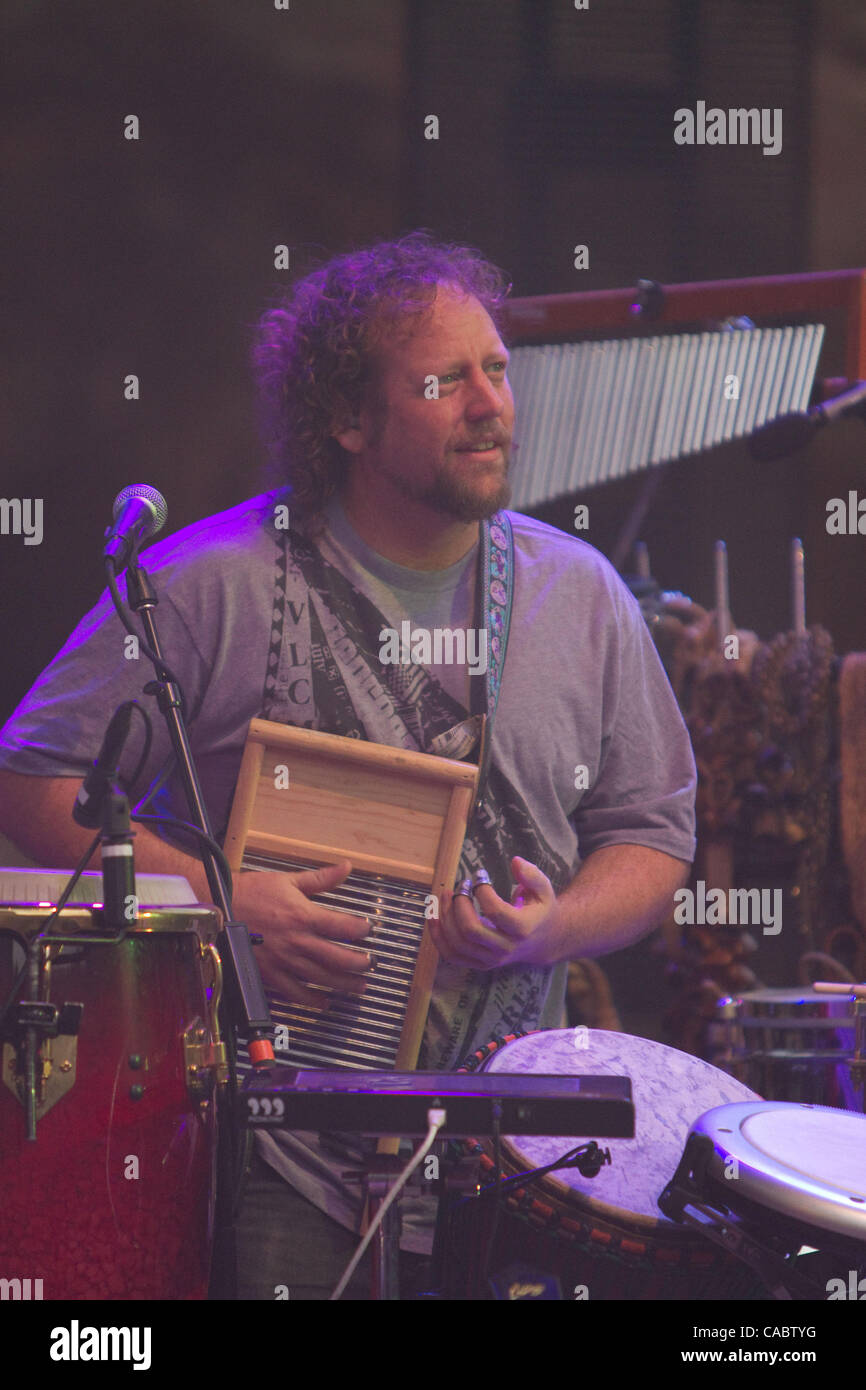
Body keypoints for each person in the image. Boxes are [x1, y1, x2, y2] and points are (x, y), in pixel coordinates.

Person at [0, 231, 696, 1299]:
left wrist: (551, 925)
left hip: (519, 1162)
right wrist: (217, 900)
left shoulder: (583, 595)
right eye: (442, 377)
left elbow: (650, 837)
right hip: (271, 1157)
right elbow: (30, 778)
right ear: (346, 418)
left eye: (496, 369)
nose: (488, 402)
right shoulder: (205, 584)